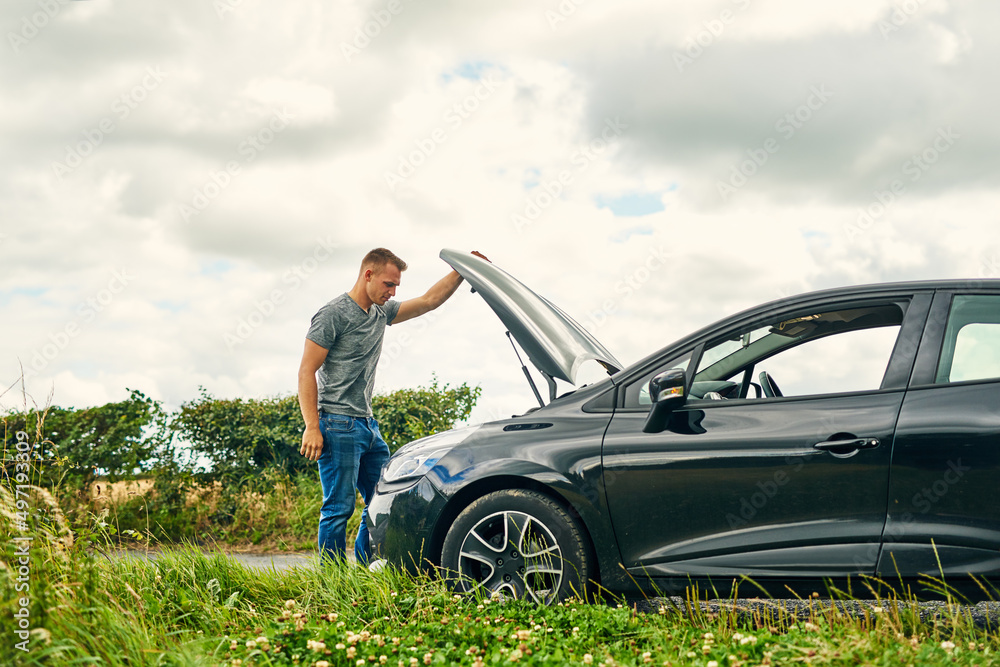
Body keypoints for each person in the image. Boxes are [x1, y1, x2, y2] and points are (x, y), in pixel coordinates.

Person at [297, 247, 486, 564]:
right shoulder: (333, 314)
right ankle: (331, 578)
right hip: (337, 424)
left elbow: (428, 301)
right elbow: (306, 370)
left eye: (396, 286)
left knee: (383, 502)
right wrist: (312, 426)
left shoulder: (380, 312)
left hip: (368, 426)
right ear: (368, 275)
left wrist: (461, 270)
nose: (393, 292)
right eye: (388, 284)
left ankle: (365, 570)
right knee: (339, 507)